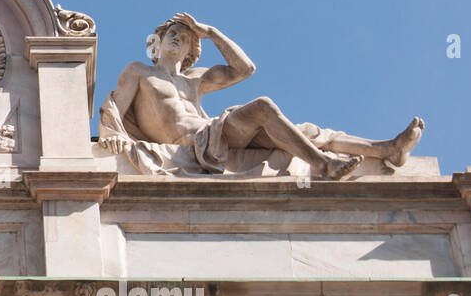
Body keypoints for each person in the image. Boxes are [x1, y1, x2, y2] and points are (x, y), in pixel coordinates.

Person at [98, 13, 423, 179]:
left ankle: (387, 149)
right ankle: (323, 164)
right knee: (264, 108)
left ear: (189, 50)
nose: (177, 39)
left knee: (305, 132)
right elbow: (114, 107)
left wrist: (209, 32)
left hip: (213, 134)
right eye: (172, 34)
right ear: (158, 40)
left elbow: (245, 68)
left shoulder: (195, 80)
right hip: (196, 145)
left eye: (183, 38)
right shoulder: (139, 71)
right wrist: (111, 136)